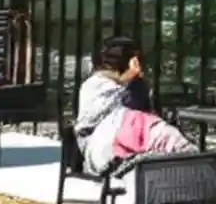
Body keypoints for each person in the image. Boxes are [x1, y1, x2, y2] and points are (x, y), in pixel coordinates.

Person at [74, 36, 195, 175]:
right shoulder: (100, 86)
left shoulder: (113, 87)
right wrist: (130, 78)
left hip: (114, 154)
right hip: (108, 154)